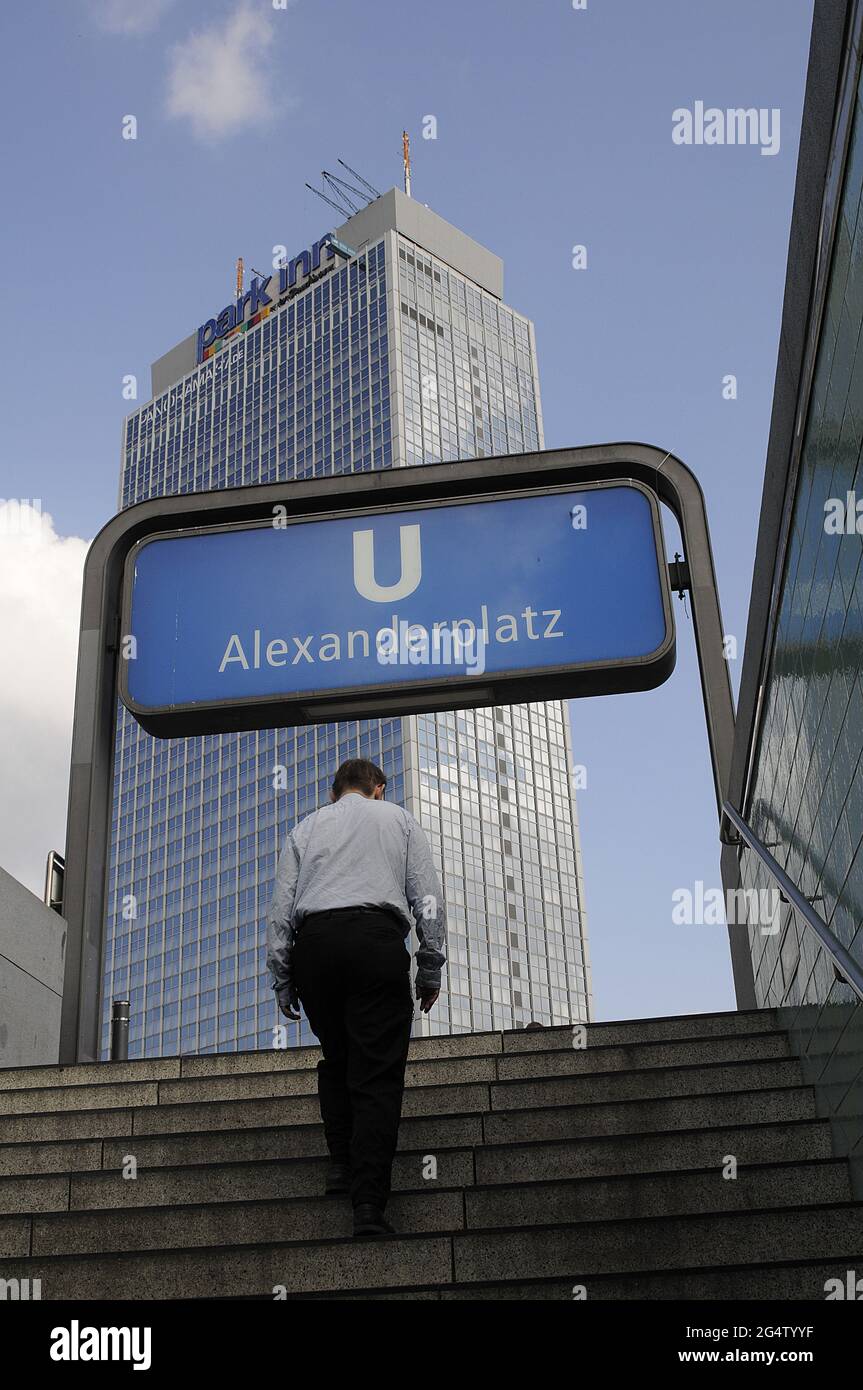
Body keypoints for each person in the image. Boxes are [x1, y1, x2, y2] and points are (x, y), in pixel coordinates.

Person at [266, 757, 447, 1238]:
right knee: (376, 1074)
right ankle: (367, 1204)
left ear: (334, 793)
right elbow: (427, 897)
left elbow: (281, 911)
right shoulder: (399, 820)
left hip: (317, 947)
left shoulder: (305, 830)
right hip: (375, 942)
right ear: (379, 789)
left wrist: (284, 978)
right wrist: (429, 966)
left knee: (337, 1057)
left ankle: (341, 1164)